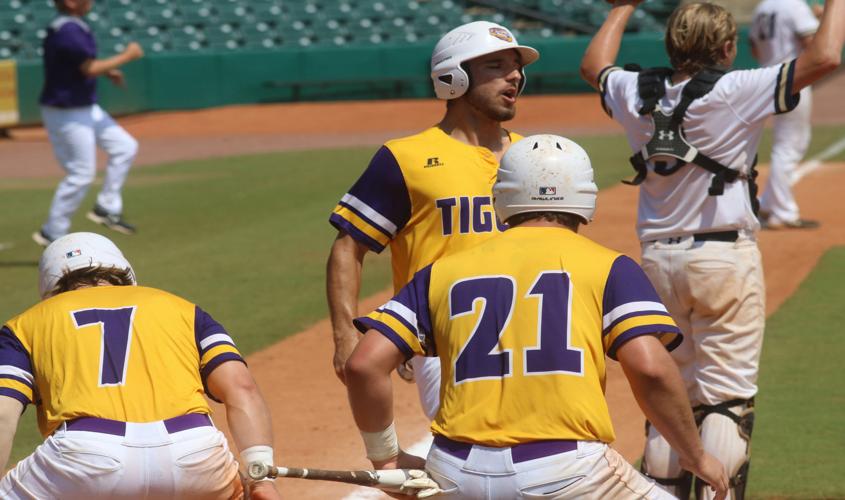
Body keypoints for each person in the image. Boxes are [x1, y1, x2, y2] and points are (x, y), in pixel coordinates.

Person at [344, 135, 729, 500]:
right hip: (567, 472)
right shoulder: (611, 266)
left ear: (502, 197)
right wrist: (696, 457)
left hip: (455, 474)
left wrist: (387, 457)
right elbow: (651, 368)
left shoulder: (441, 272)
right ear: (585, 196)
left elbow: (363, 364)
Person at [580, 1, 843, 498]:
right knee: (725, 401)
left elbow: (594, 66)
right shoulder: (737, 88)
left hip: (657, 262)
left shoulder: (638, 90)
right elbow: (825, 57)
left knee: (670, 397)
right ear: (727, 48)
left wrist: (621, 9)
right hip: (724, 259)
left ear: (671, 45)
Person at [327, 21, 538, 420]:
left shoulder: (534, 156)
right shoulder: (406, 158)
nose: (515, 75)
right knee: (480, 455)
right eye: (496, 66)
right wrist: (344, 336)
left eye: (517, 67)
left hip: (534, 335)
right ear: (453, 78)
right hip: (449, 342)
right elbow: (347, 245)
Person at [0, 232, 280, 499]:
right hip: (195, 450)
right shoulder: (183, 309)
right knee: (241, 491)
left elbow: (3, 414)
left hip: (85, 455)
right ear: (123, 270)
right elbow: (241, 387)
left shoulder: (25, 325)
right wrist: (261, 475)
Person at [33, 0, 143, 248]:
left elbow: (77, 65)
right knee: (81, 173)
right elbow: (88, 68)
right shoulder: (68, 30)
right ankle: (53, 231)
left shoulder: (72, 26)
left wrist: (107, 71)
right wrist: (128, 56)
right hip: (66, 110)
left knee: (125, 146)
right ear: (71, 3)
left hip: (83, 106)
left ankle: (106, 206)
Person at [750, 0, 823, 229]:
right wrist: (822, 22)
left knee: (786, 143)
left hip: (767, 77)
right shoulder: (795, 6)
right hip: (792, 78)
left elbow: (753, 45)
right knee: (790, 145)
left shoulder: (762, 7)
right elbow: (813, 45)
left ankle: (769, 203)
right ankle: (783, 212)